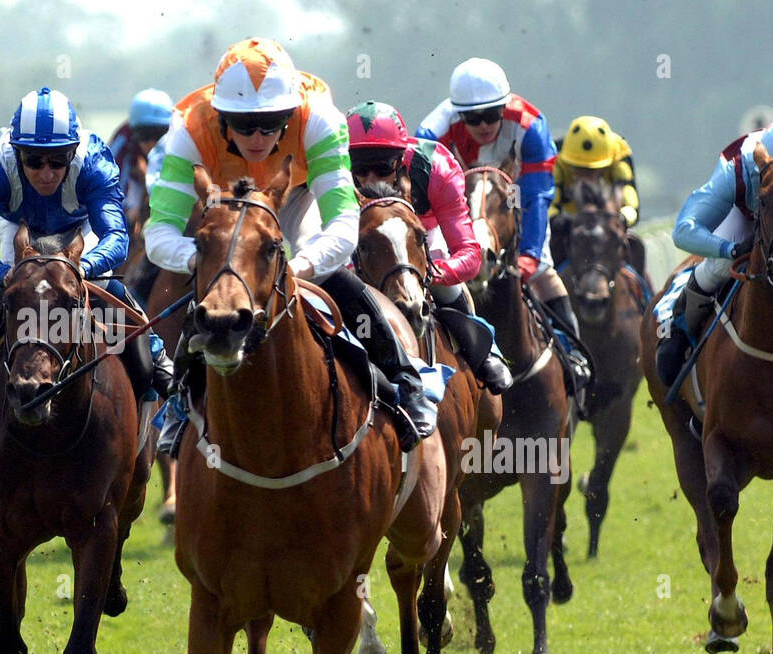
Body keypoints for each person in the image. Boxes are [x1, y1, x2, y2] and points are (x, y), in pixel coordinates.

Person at [144, 37, 436, 451]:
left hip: (295, 196)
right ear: (221, 115)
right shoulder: (189, 129)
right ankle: (179, 400)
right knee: (213, 289)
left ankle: (404, 380)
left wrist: (298, 267)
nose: (260, 135)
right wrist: (205, 261)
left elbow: (342, 225)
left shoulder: (320, 119)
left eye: (274, 121)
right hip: (228, 203)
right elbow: (158, 236)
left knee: (328, 273)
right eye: (245, 125)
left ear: (293, 111)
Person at [0, 87, 173, 409]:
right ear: (16, 152)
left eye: (59, 160)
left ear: (74, 152)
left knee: (111, 289)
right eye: (34, 161)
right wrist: (3, 274)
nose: (47, 173)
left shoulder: (93, 160)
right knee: (8, 297)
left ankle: (155, 354)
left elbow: (116, 238)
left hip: (80, 230)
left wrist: (83, 269)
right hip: (20, 228)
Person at [417, 57, 592, 396]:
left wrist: (528, 256)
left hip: (512, 204)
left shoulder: (531, 125)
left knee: (543, 269)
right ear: (457, 114)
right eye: (472, 117)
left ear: (504, 107)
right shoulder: (431, 133)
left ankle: (573, 358)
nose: (483, 124)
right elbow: (423, 204)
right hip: (453, 209)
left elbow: (537, 196)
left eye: (491, 114)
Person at [657, 118, 773, 388]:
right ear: (759, 166)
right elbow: (684, 230)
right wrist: (728, 249)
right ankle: (679, 332)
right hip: (752, 217)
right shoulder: (736, 168)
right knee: (718, 267)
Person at [344, 99, 512, 392]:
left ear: (400, 161)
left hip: (421, 233)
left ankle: (484, 353)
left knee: (444, 283)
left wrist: (428, 272)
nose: (371, 179)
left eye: (382, 168)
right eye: (360, 168)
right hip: (355, 237)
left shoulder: (436, 168)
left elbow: (469, 254)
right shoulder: (333, 175)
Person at [549, 115, 643, 270]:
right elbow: (548, 205)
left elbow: (632, 204)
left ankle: (644, 291)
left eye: (592, 171)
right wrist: (565, 223)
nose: (584, 176)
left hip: (609, 220)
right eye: (578, 169)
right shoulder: (556, 156)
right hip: (569, 223)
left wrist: (620, 219)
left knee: (637, 247)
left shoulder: (619, 153)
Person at [110, 88, 174, 222]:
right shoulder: (122, 143)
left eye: (159, 134)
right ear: (133, 133)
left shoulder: (181, 143)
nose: (152, 143)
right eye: (144, 135)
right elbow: (109, 190)